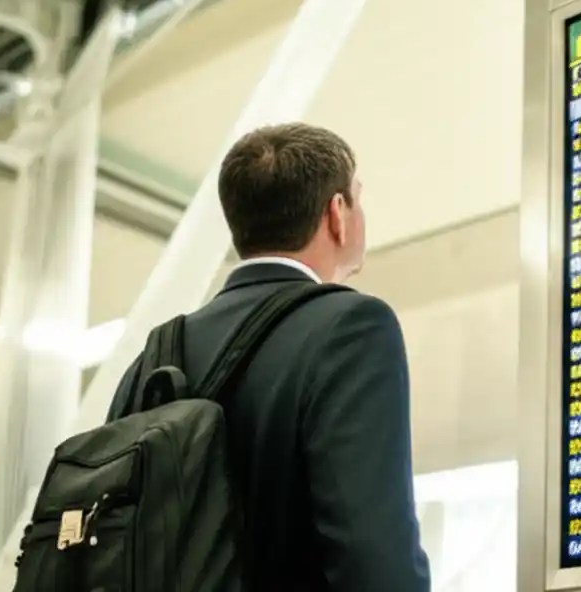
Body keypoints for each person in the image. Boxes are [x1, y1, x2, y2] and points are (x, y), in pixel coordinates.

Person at [107, 123, 430, 591]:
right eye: (358, 198)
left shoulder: (153, 359)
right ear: (337, 213)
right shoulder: (352, 327)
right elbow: (373, 554)